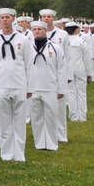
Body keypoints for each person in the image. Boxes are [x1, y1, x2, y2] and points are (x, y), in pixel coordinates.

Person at [0, 8, 30, 162]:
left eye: (7, 17)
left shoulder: (23, 39)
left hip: (19, 84)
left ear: (13, 19)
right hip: (1, 84)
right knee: (4, 121)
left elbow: (28, 64)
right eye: (2, 17)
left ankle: (19, 153)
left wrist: (29, 87)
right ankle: (6, 153)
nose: (4, 20)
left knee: (19, 121)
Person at [25, 21, 65, 151]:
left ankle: (52, 143)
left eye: (40, 29)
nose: (37, 31)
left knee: (51, 116)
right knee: (36, 117)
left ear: (45, 31)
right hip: (33, 87)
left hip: (50, 86)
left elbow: (61, 69)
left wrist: (61, 88)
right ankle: (40, 142)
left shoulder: (55, 48)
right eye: (34, 29)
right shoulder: (28, 48)